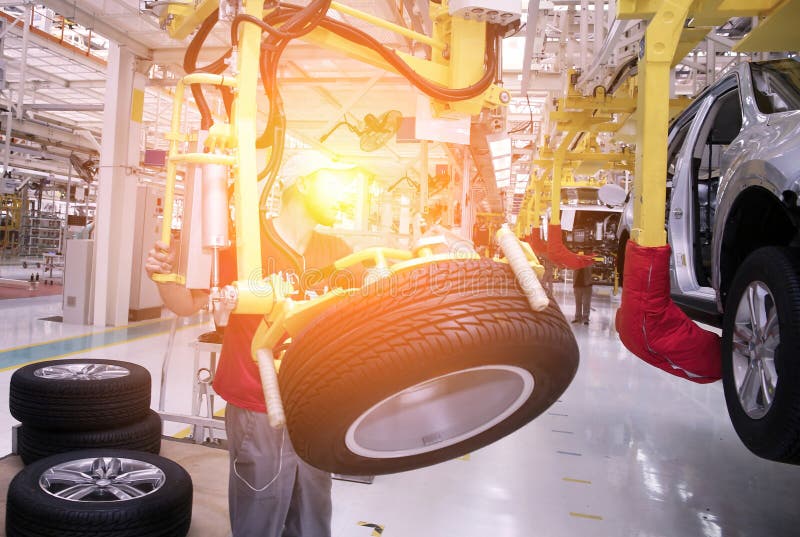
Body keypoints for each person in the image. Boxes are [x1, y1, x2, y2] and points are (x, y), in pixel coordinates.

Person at [146, 152, 359, 537]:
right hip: (257, 407)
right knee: (259, 518)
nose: (345, 195)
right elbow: (183, 303)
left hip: (314, 407)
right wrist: (163, 275)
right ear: (304, 183)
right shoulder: (245, 244)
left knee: (313, 516)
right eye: (336, 184)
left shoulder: (339, 252)